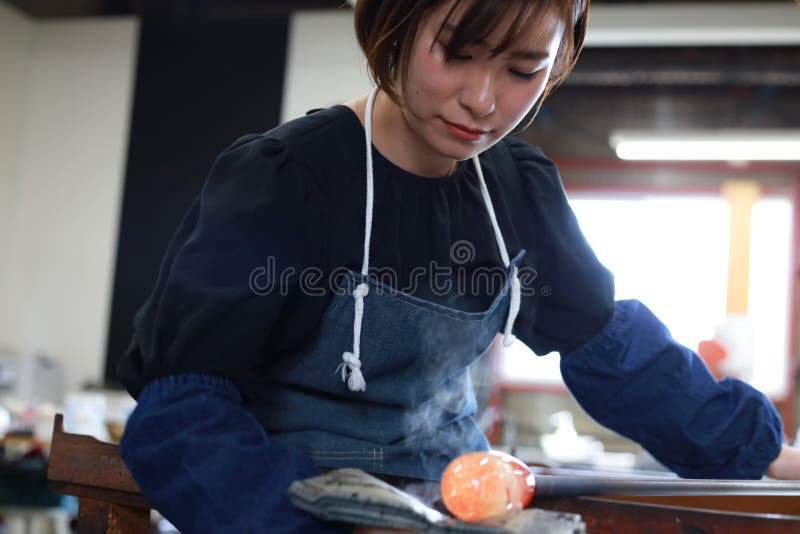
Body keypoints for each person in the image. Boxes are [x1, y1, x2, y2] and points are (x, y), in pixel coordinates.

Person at [117, 0, 800, 532]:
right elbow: (182, 419)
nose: (482, 100)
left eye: (522, 71)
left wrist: (764, 455)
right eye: (457, 53)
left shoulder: (518, 193)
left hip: (457, 506)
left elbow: (615, 351)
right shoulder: (286, 179)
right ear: (392, 22)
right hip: (292, 506)